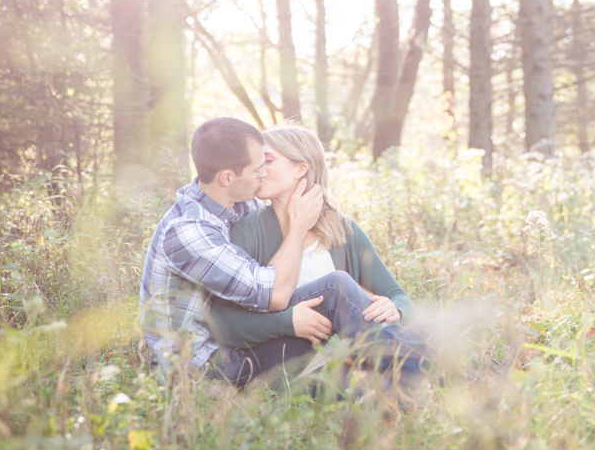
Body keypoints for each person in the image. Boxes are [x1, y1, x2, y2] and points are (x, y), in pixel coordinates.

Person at [206, 121, 426, 388]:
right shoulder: (247, 232)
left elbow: (400, 297)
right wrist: (287, 322)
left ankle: (450, 382)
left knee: (386, 383)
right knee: (337, 285)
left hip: (335, 361)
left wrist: (395, 309)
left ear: (301, 169)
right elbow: (220, 320)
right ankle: (440, 376)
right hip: (271, 360)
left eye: (267, 160)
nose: (258, 171)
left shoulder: (343, 230)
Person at [138, 117, 324, 373]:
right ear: (227, 177)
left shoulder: (238, 204)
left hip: (238, 340)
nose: (264, 174)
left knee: (334, 298)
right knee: (329, 315)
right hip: (202, 368)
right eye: (257, 169)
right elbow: (274, 295)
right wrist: (299, 226)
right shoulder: (188, 232)